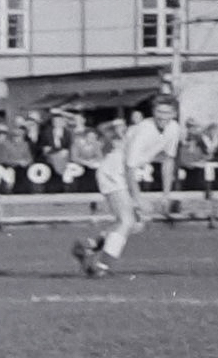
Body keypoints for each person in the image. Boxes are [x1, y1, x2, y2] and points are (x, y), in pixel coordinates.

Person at [72, 94, 184, 278]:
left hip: (123, 173)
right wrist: (138, 197)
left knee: (133, 224)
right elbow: (129, 167)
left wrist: (166, 194)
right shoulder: (144, 130)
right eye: (159, 111)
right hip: (113, 171)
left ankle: (87, 246)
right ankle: (102, 267)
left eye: (167, 112)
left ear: (174, 113)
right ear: (153, 111)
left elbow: (168, 160)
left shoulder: (174, 129)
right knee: (127, 221)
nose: (163, 116)